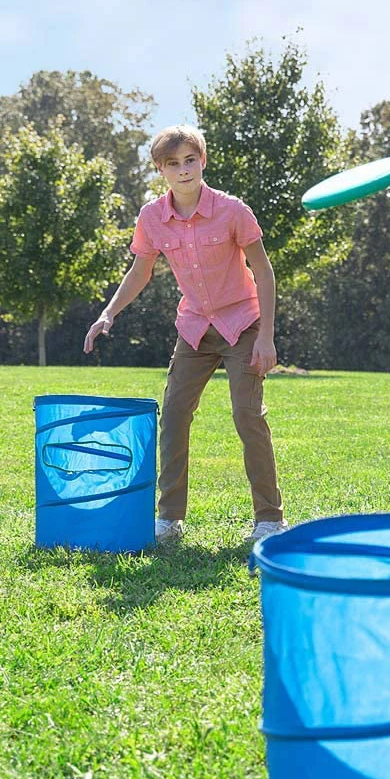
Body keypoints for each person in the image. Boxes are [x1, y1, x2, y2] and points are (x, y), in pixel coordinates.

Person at [84, 124, 288, 545]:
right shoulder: (152, 218)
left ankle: (269, 519)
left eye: (190, 160)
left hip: (242, 324)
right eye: (173, 164)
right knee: (174, 416)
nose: (183, 170)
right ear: (161, 169)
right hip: (195, 327)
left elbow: (264, 273)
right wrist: (108, 313)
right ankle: (169, 519)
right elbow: (140, 271)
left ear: (203, 161)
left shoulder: (233, 210)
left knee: (247, 415)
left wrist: (266, 336)